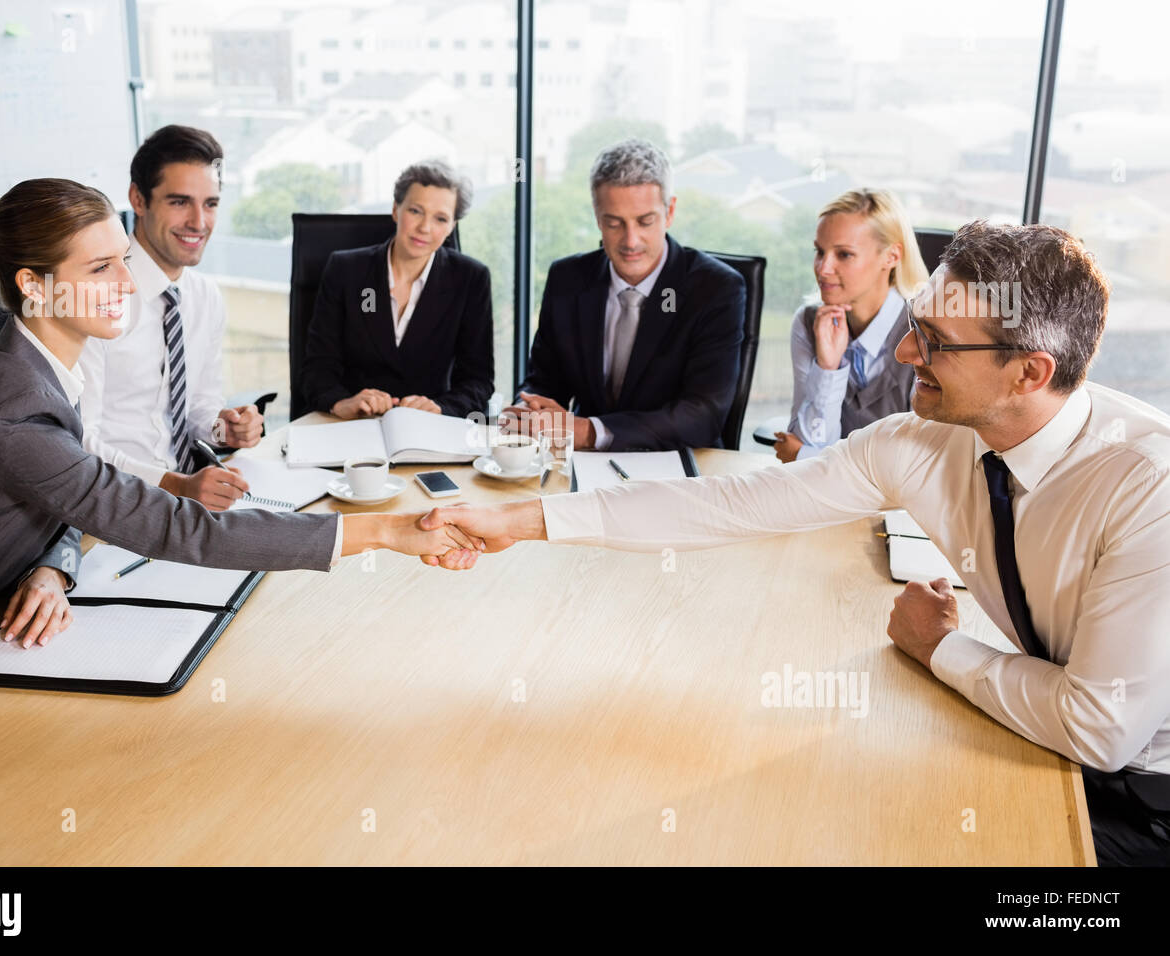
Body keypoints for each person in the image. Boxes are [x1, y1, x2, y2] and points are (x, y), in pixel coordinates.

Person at [424, 221, 1170, 866]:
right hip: (1035, 742)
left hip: (1143, 800)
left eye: (937, 341)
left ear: (1029, 372)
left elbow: (1098, 729)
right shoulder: (923, 442)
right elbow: (730, 504)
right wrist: (524, 522)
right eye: (917, 320)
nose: (906, 351)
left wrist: (940, 646)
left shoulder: (1147, 486)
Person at [0, 178, 480, 652]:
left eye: (121, 261)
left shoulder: (39, 365)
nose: (129, 285)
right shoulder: (16, 407)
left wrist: (54, 567)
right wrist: (386, 531)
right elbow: (181, 528)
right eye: (100, 268)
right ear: (35, 284)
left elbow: (63, 495)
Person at [505, 138, 745, 451]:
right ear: (597, 216)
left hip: (676, 467)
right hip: (582, 469)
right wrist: (529, 411)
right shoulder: (568, 279)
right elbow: (544, 379)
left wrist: (592, 431)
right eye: (614, 223)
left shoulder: (715, 289)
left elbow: (702, 415)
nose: (631, 241)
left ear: (669, 211)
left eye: (645, 221)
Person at [78, 125, 261, 512]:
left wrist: (223, 428)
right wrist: (176, 485)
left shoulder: (205, 297)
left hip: (186, 498)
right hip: (111, 504)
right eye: (180, 202)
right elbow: (78, 443)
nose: (199, 222)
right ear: (138, 200)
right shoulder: (94, 295)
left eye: (210, 204)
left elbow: (199, 405)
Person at [303, 159, 494, 420]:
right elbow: (318, 367)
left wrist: (440, 408)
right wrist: (341, 402)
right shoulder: (346, 270)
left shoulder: (471, 279)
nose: (424, 228)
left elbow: (478, 380)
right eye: (415, 211)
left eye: (440, 218)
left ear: (452, 227)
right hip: (353, 426)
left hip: (429, 430)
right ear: (396, 209)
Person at [773, 188, 928, 463]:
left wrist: (806, 456)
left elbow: (911, 466)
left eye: (843, 255)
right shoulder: (809, 322)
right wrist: (827, 368)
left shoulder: (925, 331)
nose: (822, 268)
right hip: (823, 497)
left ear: (891, 257)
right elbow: (806, 450)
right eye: (819, 252)